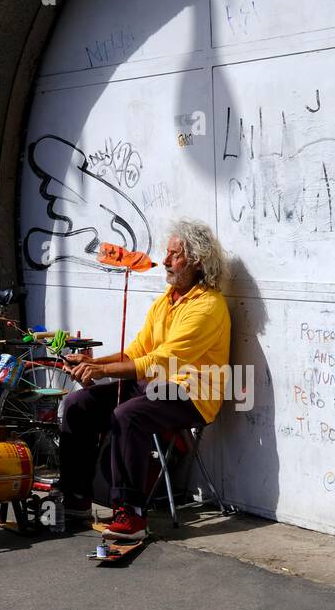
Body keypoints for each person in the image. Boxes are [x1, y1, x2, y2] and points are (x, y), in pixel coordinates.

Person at [59, 219, 232, 539]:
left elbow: (163, 361)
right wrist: (93, 362)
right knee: (78, 403)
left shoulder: (208, 306)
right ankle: (76, 500)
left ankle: (132, 512)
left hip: (191, 393)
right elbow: (138, 351)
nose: (165, 261)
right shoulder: (167, 301)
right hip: (154, 383)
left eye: (174, 255)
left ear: (196, 262)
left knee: (128, 415)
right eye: (167, 253)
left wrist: (102, 371)